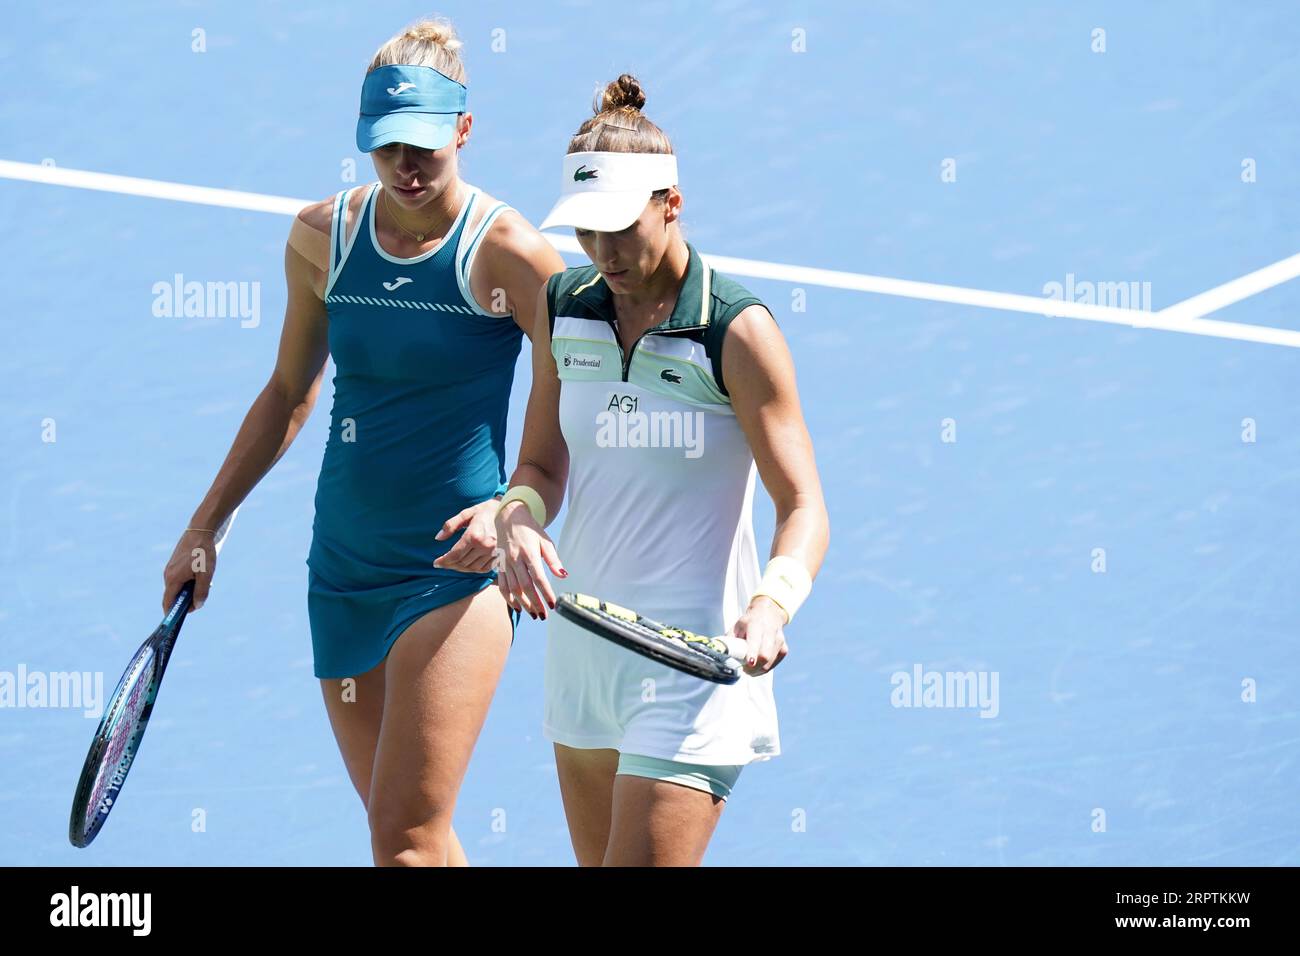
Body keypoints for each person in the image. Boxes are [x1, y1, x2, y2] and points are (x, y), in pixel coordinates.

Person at [161, 18, 565, 866]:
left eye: (424, 145)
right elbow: (286, 395)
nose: (407, 167)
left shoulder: (510, 255)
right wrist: (206, 527)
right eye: (386, 149)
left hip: (451, 571)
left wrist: (517, 508)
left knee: (407, 839)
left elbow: (580, 393)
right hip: (342, 571)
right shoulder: (322, 240)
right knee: (412, 838)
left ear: (464, 128)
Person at [493, 74, 830, 866]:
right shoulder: (564, 305)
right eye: (585, 232)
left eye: (620, 226)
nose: (602, 252)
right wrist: (515, 521)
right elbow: (541, 464)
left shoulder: (734, 331)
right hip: (584, 651)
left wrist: (772, 605)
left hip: (694, 665)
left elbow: (804, 503)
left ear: (671, 202)